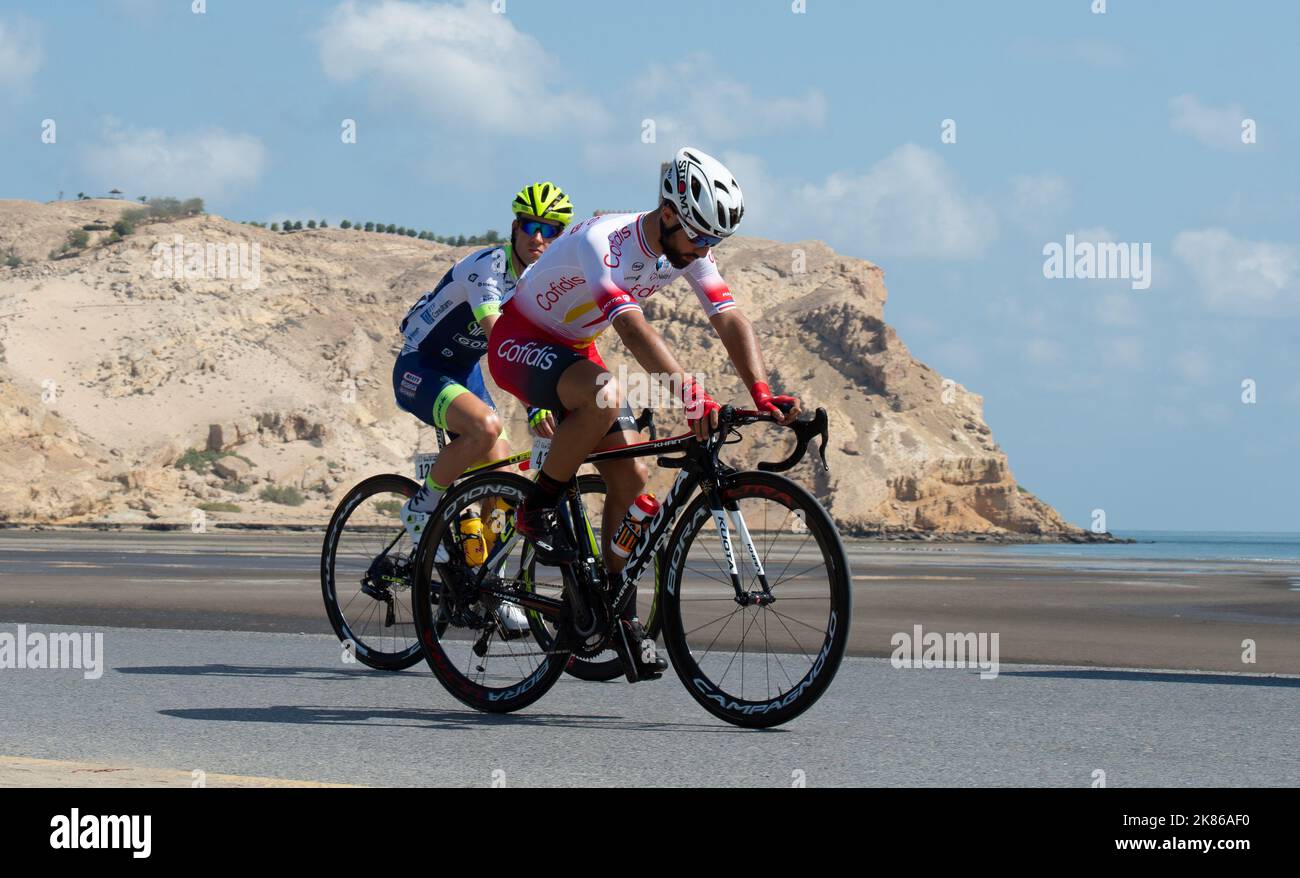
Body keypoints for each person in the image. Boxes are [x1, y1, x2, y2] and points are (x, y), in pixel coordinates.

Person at [487, 147, 802, 679]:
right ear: (671, 213)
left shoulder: (688, 246)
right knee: (607, 393)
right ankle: (535, 506)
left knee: (633, 479)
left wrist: (762, 390)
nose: (705, 249)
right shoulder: (604, 242)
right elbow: (633, 331)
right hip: (520, 340)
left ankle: (611, 614)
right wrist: (691, 398)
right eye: (700, 237)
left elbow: (729, 318)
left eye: (714, 241)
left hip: (576, 349)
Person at [392, 182, 573, 628]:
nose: (539, 238)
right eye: (531, 226)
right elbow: (501, 344)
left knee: (507, 481)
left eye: (551, 230)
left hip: (464, 372)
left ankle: (487, 581)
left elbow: (543, 348)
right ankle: (423, 505)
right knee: (486, 428)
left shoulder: (536, 283)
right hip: (422, 365)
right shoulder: (488, 268)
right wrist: (533, 404)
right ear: (514, 227)